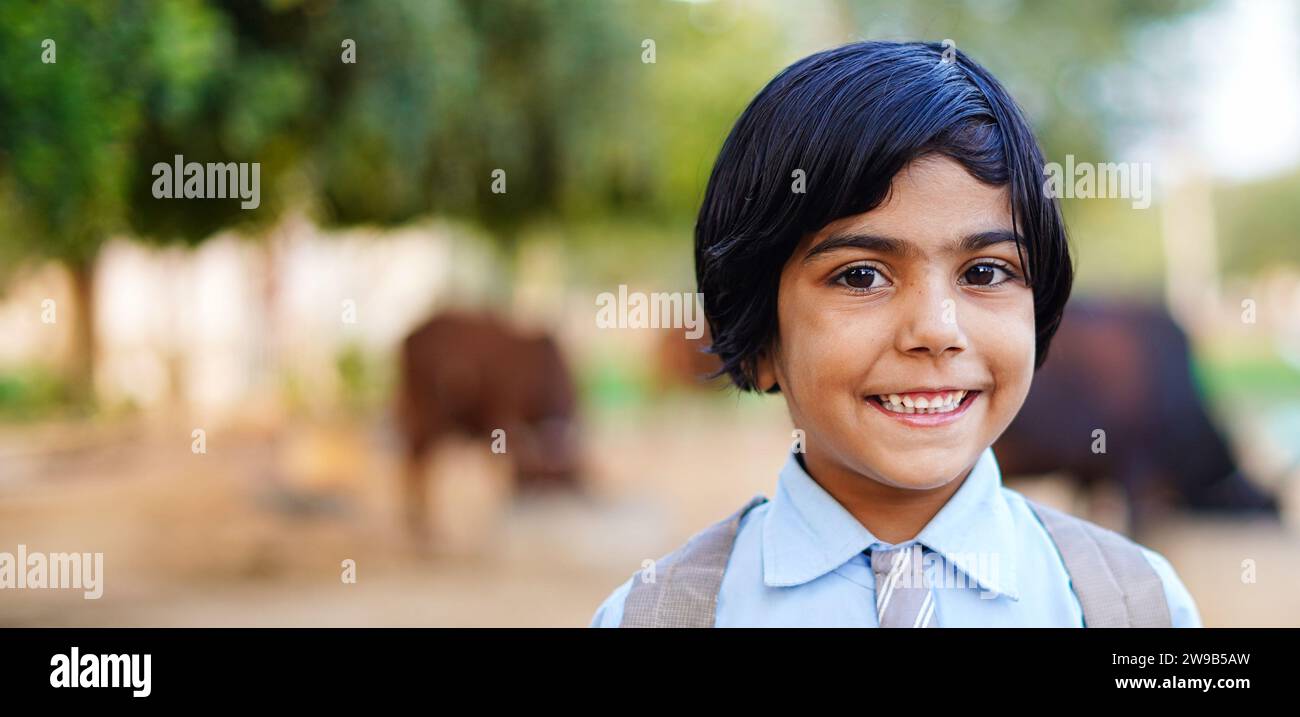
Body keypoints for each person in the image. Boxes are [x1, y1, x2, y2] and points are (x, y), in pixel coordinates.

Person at [590, 40, 1201, 628]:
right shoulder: (656, 615)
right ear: (760, 335)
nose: (936, 330)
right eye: (861, 276)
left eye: (986, 272)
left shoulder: (1137, 605)